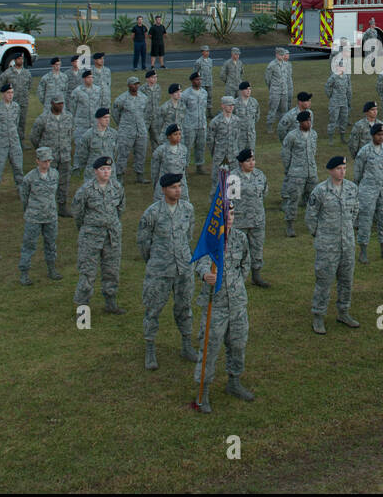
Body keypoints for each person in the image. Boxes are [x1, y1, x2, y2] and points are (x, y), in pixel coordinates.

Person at [193, 207, 255, 413]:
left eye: (231, 215)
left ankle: (234, 381)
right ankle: (203, 391)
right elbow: (200, 263)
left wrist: (236, 284)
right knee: (209, 348)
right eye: (225, 215)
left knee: (238, 344)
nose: (228, 219)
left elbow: (246, 263)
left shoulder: (239, 238)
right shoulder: (210, 239)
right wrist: (205, 275)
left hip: (237, 304)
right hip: (216, 305)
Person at [137, 172, 197, 368]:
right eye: (173, 187)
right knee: (153, 309)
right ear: (164, 190)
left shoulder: (188, 209)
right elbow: (143, 243)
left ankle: (186, 345)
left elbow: (189, 235)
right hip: (160, 270)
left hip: (183, 269)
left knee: (185, 307)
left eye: (179, 186)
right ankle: (150, 349)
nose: (178, 190)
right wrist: (156, 260)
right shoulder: (152, 213)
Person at [306, 155, 360, 334]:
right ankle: (318, 316)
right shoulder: (320, 191)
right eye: (338, 169)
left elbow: (355, 211)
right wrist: (320, 234)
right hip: (327, 246)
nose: (342, 172)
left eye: (344, 168)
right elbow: (311, 217)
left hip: (347, 245)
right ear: (330, 170)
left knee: (346, 280)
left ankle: (343, 312)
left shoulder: (352, 188)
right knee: (324, 281)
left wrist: (346, 231)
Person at [73, 155, 127, 316]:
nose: (106, 172)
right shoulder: (86, 190)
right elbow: (78, 213)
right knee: (88, 273)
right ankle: (82, 310)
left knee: (111, 271)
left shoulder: (117, 188)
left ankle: (110, 303)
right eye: (103, 169)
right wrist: (88, 228)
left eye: (109, 169)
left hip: (111, 237)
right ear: (95, 171)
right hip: (91, 237)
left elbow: (120, 209)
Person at [19, 146, 62, 284]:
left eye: (49, 161)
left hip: (50, 216)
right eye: (44, 161)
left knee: (51, 244)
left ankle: (51, 269)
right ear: (37, 161)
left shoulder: (55, 174)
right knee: (29, 245)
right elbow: (24, 196)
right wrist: (30, 209)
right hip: (34, 217)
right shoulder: (29, 178)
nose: (47, 164)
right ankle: (24, 273)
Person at [354, 123, 383, 262]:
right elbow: (358, 172)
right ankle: (363, 251)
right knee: (365, 219)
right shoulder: (364, 151)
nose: (381, 137)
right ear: (372, 135)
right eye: (379, 135)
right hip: (368, 188)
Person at [231, 149, 271, 287]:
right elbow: (229, 200)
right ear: (241, 163)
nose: (251, 163)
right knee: (237, 249)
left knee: (257, 248)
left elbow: (264, 193)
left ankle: (256, 276)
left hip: (257, 219)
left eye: (253, 160)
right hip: (239, 220)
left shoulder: (260, 175)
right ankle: (236, 277)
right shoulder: (233, 177)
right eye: (248, 161)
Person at [31, 95, 75, 215]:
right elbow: (34, 137)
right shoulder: (43, 119)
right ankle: (45, 207)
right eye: (57, 103)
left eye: (62, 103)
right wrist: (42, 152)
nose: (60, 105)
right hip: (49, 158)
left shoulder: (68, 117)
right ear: (52, 104)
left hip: (64, 156)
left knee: (64, 182)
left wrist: (66, 146)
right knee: (46, 182)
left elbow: (71, 133)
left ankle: (62, 207)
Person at [281, 110, 319, 236]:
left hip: (311, 172)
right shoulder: (292, 136)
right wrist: (289, 168)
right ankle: (290, 225)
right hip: (297, 173)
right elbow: (286, 154)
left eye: (309, 121)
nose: (308, 123)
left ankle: (313, 224)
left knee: (314, 199)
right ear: (300, 123)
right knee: (294, 199)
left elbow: (314, 152)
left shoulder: (313, 134)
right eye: (306, 121)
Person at [0, 83, 25, 197]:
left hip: (14, 142)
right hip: (0, 143)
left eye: (12, 93)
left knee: (18, 167)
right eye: (8, 93)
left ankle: (21, 191)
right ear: (3, 94)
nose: (10, 95)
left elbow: (16, 123)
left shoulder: (16, 107)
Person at [112, 76, 150, 183]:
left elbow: (146, 113)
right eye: (133, 84)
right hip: (126, 131)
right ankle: (119, 176)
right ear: (129, 85)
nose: (136, 86)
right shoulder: (121, 99)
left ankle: (140, 176)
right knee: (123, 153)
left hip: (141, 130)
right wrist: (122, 124)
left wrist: (142, 124)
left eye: (137, 83)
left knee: (141, 153)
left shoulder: (143, 98)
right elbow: (115, 113)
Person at [206, 95, 244, 172]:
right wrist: (216, 153)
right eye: (229, 105)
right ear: (223, 106)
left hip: (234, 156)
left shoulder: (237, 120)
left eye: (233, 105)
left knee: (234, 180)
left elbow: (239, 138)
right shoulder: (215, 122)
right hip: (221, 156)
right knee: (219, 180)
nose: (231, 107)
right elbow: (210, 140)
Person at [2, 52, 33, 148]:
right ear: (15, 60)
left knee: (22, 122)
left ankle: (21, 142)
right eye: (19, 59)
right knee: (11, 122)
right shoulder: (8, 73)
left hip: (23, 102)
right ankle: (10, 142)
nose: (21, 61)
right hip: (12, 102)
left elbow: (29, 86)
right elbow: (0, 84)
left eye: (22, 59)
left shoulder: (27, 73)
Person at [182, 73, 209, 174]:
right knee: (187, 147)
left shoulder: (204, 93)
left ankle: (200, 166)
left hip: (201, 124)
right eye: (197, 79)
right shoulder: (185, 94)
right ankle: (184, 168)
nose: (199, 81)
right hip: (190, 125)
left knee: (201, 146)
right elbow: (182, 110)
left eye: (200, 79)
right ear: (192, 81)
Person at [265, 48, 292, 132]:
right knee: (273, 109)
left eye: (283, 54)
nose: (282, 56)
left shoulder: (286, 64)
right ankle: (269, 126)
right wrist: (272, 87)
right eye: (280, 54)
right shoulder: (272, 65)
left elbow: (287, 77)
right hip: (275, 91)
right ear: (276, 55)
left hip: (284, 91)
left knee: (284, 110)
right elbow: (267, 79)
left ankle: (283, 126)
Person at [324, 61, 351, 142]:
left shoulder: (346, 76)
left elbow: (348, 88)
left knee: (344, 119)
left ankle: (342, 137)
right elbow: (327, 87)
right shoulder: (333, 77)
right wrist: (331, 96)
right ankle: (330, 138)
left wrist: (348, 98)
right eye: (341, 67)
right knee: (333, 119)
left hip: (344, 101)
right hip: (335, 102)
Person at [194, 45, 215, 118]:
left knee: (210, 97)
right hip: (202, 83)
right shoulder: (198, 62)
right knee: (202, 98)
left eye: (208, 51)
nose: (207, 52)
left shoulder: (210, 60)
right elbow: (195, 73)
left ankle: (209, 112)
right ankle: (202, 113)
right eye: (206, 51)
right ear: (202, 52)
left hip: (209, 82)